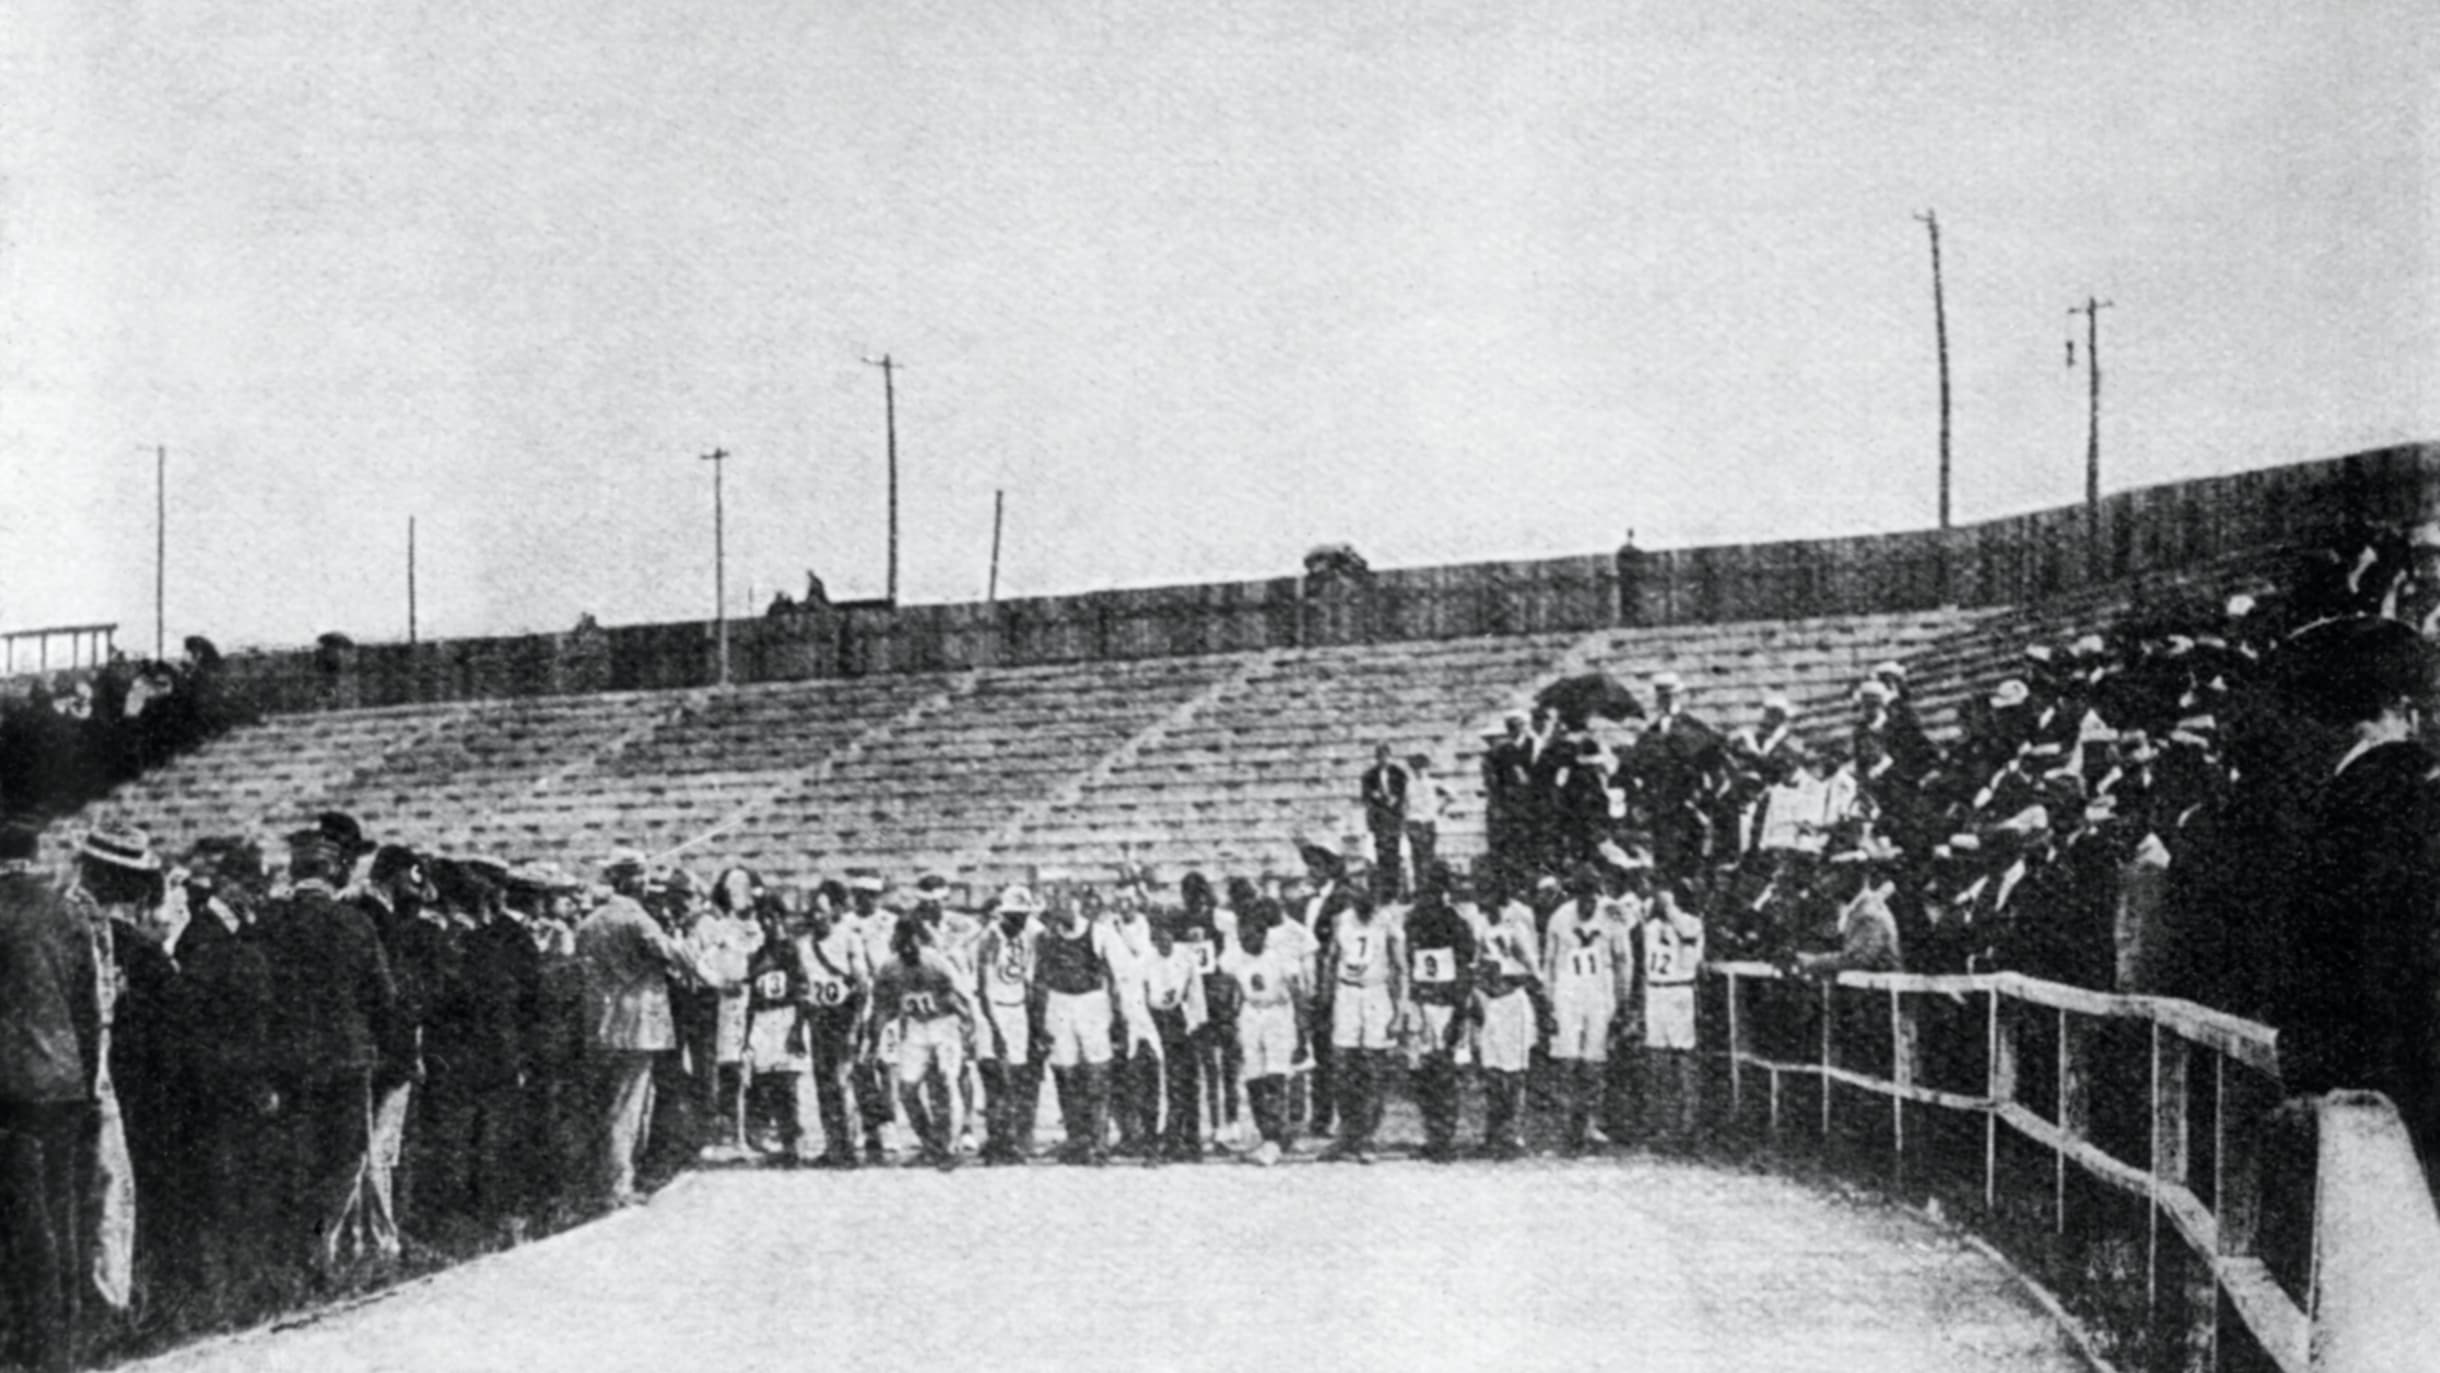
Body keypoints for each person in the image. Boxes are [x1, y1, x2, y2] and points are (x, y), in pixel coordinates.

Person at [257, 824, 398, 1279]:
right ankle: (322, 1245)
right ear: (335, 872)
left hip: (285, 1060)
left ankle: (286, 1252)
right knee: (343, 1157)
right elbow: (383, 996)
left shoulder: (268, 922)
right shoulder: (356, 924)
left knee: (293, 1154)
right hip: (345, 1058)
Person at [0, 819, 100, 1373]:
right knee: (59, 1213)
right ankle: (63, 1342)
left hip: (10, 1085)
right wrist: (84, 1078)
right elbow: (88, 1007)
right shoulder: (67, 910)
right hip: (64, 1080)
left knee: (20, 1219)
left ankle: (25, 1344)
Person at [574, 849, 695, 1206]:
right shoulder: (637, 918)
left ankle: (604, 1179)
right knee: (629, 1103)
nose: (645, 882)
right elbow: (675, 956)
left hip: (601, 1018)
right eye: (641, 875)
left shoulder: (592, 921)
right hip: (638, 1021)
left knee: (607, 1101)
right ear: (629, 879)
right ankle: (618, 1184)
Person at [864, 915, 976, 1170]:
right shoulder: (889, 968)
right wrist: (873, 1040)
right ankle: (929, 1143)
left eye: (911, 945)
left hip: (944, 1024)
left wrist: (969, 1031)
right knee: (907, 1089)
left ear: (920, 942)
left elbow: (963, 999)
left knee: (948, 1082)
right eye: (902, 945)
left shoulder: (937, 963)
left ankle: (949, 1146)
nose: (907, 950)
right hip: (915, 1027)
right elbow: (882, 1008)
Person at [1033, 888, 1133, 1165]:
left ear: (1078, 905)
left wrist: (1120, 1016)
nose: (1061, 910)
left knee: (1097, 1073)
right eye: (1057, 906)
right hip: (1060, 1004)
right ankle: (1077, 1139)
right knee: (1065, 1074)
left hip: (1091, 1003)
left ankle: (1100, 1142)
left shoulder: (1100, 934)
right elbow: (1040, 979)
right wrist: (1040, 1021)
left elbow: (1120, 976)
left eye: (1066, 904)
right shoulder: (1046, 938)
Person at [1542, 864, 1633, 1156]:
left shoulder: (1613, 912)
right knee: (1567, 1059)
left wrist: (1623, 999)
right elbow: (1549, 962)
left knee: (1594, 1059)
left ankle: (1590, 1124)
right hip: (1569, 987)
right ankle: (1569, 1127)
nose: (1587, 902)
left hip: (1599, 987)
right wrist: (1549, 1000)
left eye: (1592, 894)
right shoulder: (1560, 917)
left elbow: (1624, 959)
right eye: (1581, 895)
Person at [1320, 886, 1406, 1163]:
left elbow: (1401, 967)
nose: (1364, 901)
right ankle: (1347, 1133)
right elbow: (1331, 960)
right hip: (1347, 993)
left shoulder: (1388, 922)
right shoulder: (1341, 920)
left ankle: (1368, 1136)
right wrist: (1325, 998)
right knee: (1343, 1064)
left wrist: (1400, 1009)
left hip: (1375, 992)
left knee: (1374, 1065)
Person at [1220, 900, 1307, 1167]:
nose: (1248, 939)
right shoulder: (1235, 957)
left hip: (1277, 1013)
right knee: (1253, 1078)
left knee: (1276, 1077)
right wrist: (1231, 1023)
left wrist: (1302, 1034)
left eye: (1253, 933)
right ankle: (1265, 1134)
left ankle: (1276, 1139)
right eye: (1243, 933)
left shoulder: (1280, 958)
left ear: (1264, 933)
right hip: (1250, 1014)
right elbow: (1230, 990)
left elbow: (1298, 995)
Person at [1404, 865, 1477, 1162]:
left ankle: (1444, 1136)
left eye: (1434, 892)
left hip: (1446, 1003)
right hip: (1421, 1000)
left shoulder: (1456, 924)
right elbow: (1407, 962)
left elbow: (1464, 971)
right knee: (1421, 1072)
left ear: (1443, 893)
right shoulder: (1413, 922)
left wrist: (1459, 1014)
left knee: (1444, 1072)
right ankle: (1432, 1133)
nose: (1428, 898)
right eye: (1424, 893)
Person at [1469, 874, 1542, 1160]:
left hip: (1512, 1001)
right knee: (1492, 1071)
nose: (1480, 900)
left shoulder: (1515, 927)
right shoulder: (1478, 923)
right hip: (1490, 1002)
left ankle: (1514, 1134)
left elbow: (1533, 971)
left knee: (1515, 1073)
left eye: (1485, 894)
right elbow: (1476, 962)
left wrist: (1510, 974)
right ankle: (1493, 1132)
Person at [798, 882, 870, 1169]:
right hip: (820, 1017)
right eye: (813, 911)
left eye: (821, 911)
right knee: (823, 1083)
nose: (815, 917)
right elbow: (805, 989)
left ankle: (849, 1146)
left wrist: (854, 1027)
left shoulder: (848, 939)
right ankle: (832, 1144)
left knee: (842, 1082)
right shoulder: (804, 945)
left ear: (835, 912)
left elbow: (861, 985)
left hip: (845, 1014)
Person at [741, 893, 814, 1164]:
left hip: (786, 1016)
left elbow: (802, 992)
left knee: (787, 1083)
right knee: (765, 1082)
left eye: (772, 917)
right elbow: (752, 999)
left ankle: (793, 1141)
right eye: (762, 918)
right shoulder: (757, 955)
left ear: (781, 919)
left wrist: (797, 1028)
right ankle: (774, 1139)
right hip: (763, 1020)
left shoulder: (791, 951)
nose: (767, 922)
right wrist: (748, 1035)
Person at [1632, 881, 1707, 1147]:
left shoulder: (1691, 923)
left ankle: (1688, 1123)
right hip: (1655, 991)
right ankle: (1660, 1122)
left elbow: (1688, 936)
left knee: (1684, 1056)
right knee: (1657, 1059)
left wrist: (1671, 908)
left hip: (1679, 990)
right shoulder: (1651, 926)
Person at [972, 885, 1041, 1165]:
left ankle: (1010, 1139)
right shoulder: (991, 937)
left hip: (1018, 1009)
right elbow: (984, 985)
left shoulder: (1031, 933)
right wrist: (995, 1027)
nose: (1018, 922)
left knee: (1015, 1077)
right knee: (994, 1076)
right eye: (1013, 916)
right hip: (994, 1009)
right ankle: (996, 1138)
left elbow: (1029, 977)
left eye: (1022, 916)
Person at [1141, 908, 1211, 1164]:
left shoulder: (1186, 958)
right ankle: (1161, 1142)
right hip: (1155, 1022)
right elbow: (1140, 997)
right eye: (1158, 937)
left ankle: (1191, 1141)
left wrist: (1195, 1026)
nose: (1164, 942)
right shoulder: (1145, 961)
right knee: (1161, 1084)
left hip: (1181, 1023)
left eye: (1168, 936)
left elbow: (1196, 995)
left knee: (1187, 1083)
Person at [843, 874, 902, 1163]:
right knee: (860, 1065)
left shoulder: (889, 922)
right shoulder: (845, 924)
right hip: (857, 998)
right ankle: (870, 1126)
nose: (866, 899)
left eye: (872, 894)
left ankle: (889, 1123)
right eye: (861, 893)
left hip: (886, 998)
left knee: (887, 1064)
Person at [1358, 743, 1410, 901]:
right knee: (1380, 856)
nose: (1383, 760)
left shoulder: (1399, 773)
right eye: (1380, 757)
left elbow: (1402, 794)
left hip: (1394, 820)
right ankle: (1383, 892)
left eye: (1386, 757)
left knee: (1395, 856)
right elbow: (1365, 796)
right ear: (1377, 758)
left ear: (1390, 757)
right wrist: (1375, 796)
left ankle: (1395, 890)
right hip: (1378, 821)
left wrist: (1394, 799)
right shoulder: (1369, 775)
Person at [1404, 754, 1455, 891]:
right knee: (1417, 857)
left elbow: (1452, 795)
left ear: (1426, 768)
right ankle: (1420, 888)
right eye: (1415, 768)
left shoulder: (1433, 783)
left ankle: (1429, 888)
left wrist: (1440, 808)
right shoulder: (1408, 785)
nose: (1419, 771)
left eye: (1421, 768)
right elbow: (1404, 804)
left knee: (1428, 856)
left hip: (1428, 822)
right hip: (1413, 822)